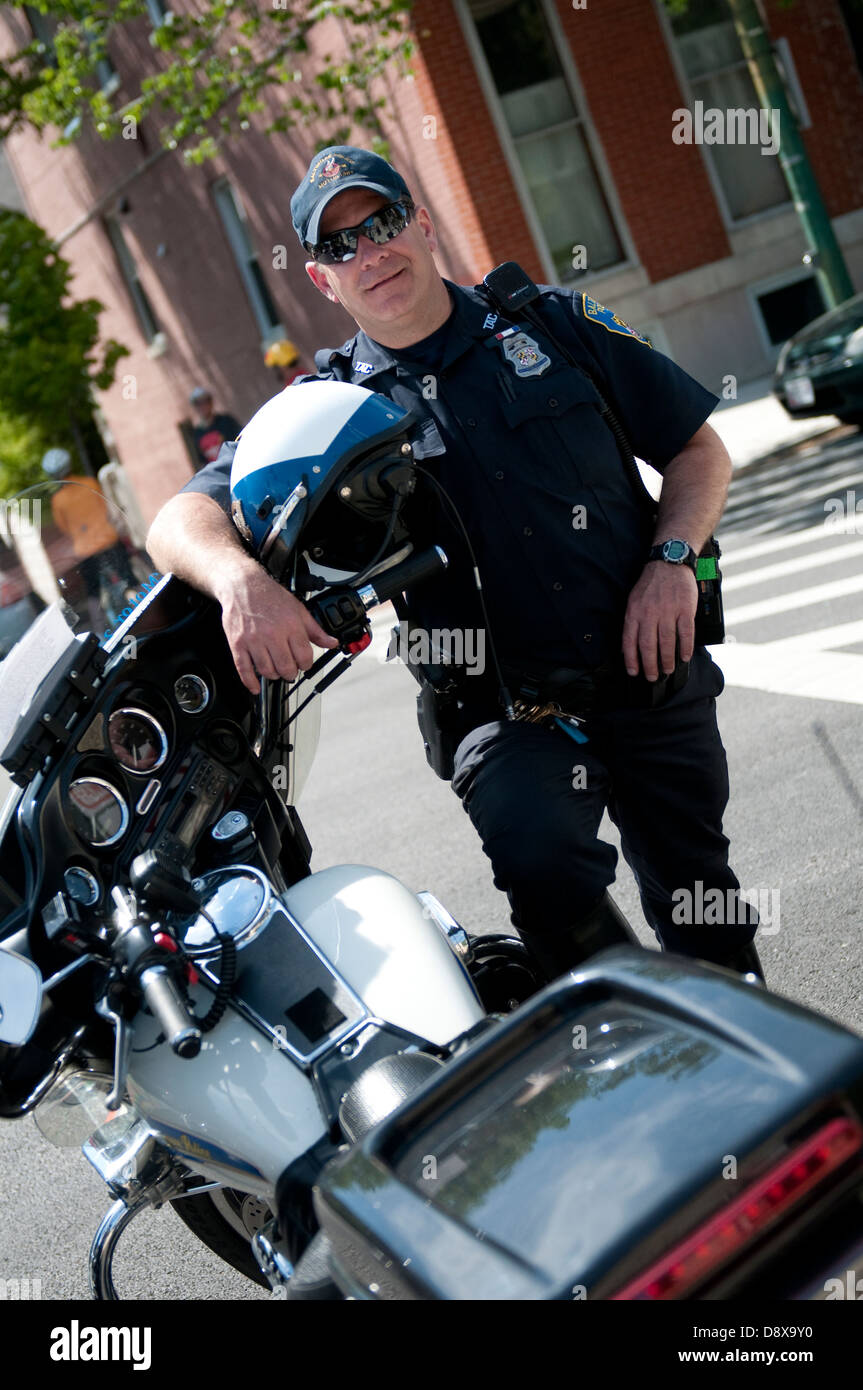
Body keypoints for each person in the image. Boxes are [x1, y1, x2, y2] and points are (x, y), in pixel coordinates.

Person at [147, 145, 763, 983]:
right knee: (544, 875)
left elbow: (696, 448)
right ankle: (639, 1030)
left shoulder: (549, 323)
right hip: (504, 709)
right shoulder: (324, 413)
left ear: (423, 224)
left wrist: (671, 560)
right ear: (321, 282)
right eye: (339, 247)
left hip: (647, 664)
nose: (370, 253)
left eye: (384, 223)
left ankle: (752, 1049)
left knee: (702, 900)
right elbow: (179, 519)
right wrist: (239, 581)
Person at [42, 447, 138, 629]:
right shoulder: (89, 483)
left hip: (86, 551)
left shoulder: (58, 500)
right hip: (109, 541)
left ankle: (100, 633)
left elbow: (65, 528)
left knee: (94, 594)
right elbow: (104, 509)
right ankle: (144, 609)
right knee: (129, 580)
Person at [189, 386, 241, 470]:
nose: (202, 407)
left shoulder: (226, 421)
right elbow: (201, 461)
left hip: (235, 467)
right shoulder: (197, 434)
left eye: (204, 402)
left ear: (210, 402)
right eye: (198, 404)